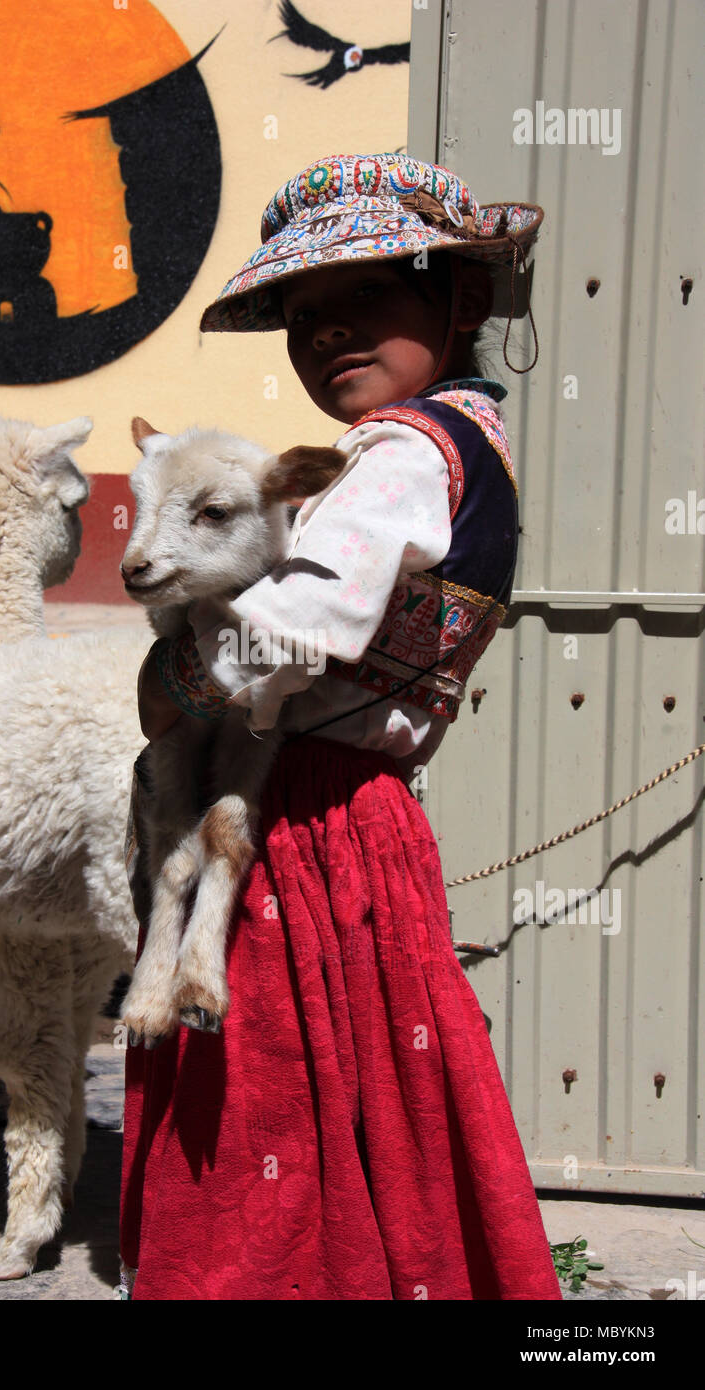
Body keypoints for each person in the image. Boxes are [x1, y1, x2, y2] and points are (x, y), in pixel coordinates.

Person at [119, 153, 560, 1300]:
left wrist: (179, 674)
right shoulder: (464, 441)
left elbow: (302, 623)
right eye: (302, 315)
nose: (327, 333)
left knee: (267, 1093)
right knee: (362, 1096)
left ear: (457, 299)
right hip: (359, 828)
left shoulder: (402, 450)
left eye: (367, 295)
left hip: (299, 825)